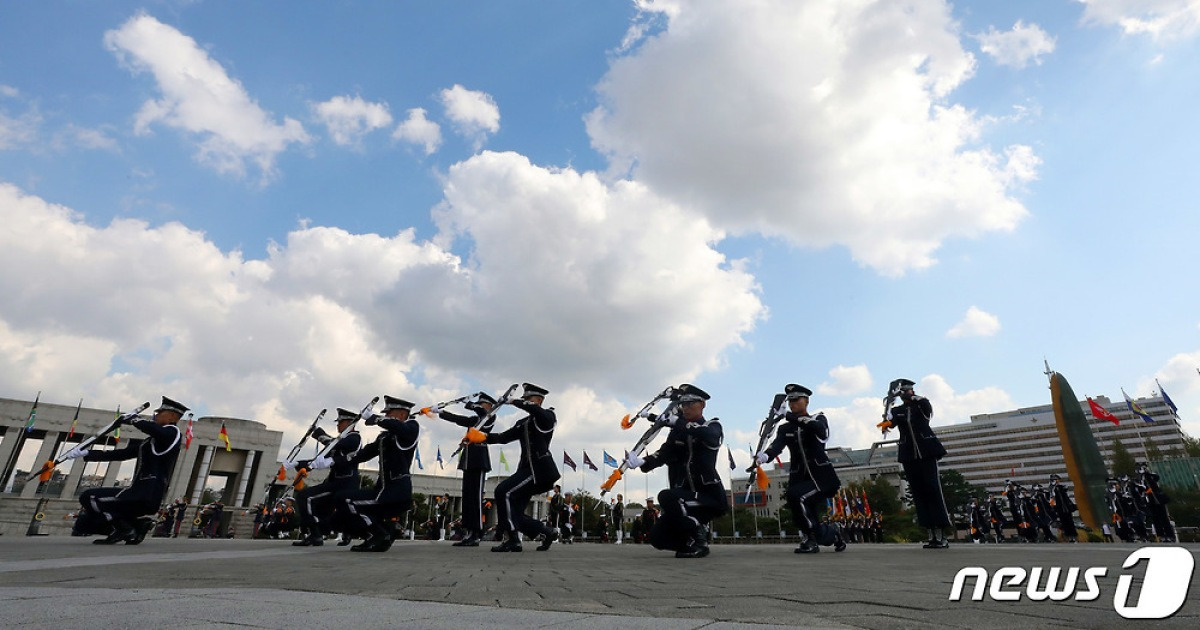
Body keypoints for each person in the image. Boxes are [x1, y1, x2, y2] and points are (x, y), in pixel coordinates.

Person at [65, 397, 187, 545]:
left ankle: (125, 529)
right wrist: (87, 454)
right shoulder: (150, 443)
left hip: (145, 493)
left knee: (89, 497)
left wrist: (135, 420)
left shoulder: (172, 433)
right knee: (91, 513)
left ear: (172, 416)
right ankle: (135, 526)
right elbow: (122, 454)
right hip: (138, 493)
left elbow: (158, 432)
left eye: (160, 412)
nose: (156, 415)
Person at [626, 384, 728, 558]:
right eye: (683, 404)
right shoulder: (677, 432)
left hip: (709, 497)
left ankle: (699, 537)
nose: (686, 408)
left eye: (690, 404)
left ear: (702, 405)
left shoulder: (713, 426)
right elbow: (665, 453)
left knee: (666, 496)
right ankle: (689, 541)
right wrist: (643, 461)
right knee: (657, 538)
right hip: (686, 496)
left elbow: (708, 436)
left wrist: (678, 423)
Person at [758, 384, 846, 554]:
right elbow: (777, 446)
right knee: (804, 511)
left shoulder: (818, 419)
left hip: (821, 478)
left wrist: (789, 416)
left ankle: (810, 538)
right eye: (790, 401)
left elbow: (820, 432)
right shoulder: (785, 428)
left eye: (796, 400)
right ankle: (832, 534)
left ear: (806, 401)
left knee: (797, 497)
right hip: (799, 477)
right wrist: (763, 457)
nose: (792, 404)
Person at [476, 383, 561, 552]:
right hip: (526, 471)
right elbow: (503, 437)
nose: (525, 402)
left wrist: (512, 401)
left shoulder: (547, 417)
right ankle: (547, 531)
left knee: (503, 491)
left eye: (528, 399)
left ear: (538, 400)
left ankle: (513, 539)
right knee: (514, 512)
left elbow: (536, 411)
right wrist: (480, 437)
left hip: (539, 471)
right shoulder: (524, 423)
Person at [338, 396, 420, 552]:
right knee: (341, 504)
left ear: (403, 414)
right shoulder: (385, 436)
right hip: (383, 490)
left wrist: (375, 418)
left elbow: (401, 428)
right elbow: (363, 454)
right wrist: (331, 461)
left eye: (390, 413)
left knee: (348, 501)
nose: (387, 416)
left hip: (396, 491)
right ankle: (387, 530)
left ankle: (378, 535)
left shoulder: (411, 428)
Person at [881, 379, 950, 549]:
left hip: (926, 451)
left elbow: (927, 412)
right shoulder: (899, 410)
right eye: (903, 391)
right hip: (909, 453)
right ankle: (930, 532)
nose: (905, 393)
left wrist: (910, 397)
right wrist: (887, 411)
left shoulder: (921, 403)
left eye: (907, 390)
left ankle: (941, 532)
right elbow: (890, 422)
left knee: (933, 490)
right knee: (919, 493)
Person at [290, 407, 362, 547]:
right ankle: (316, 533)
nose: (338, 425)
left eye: (341, 422)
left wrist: (319, 434)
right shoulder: (338, 442)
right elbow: (321, 458)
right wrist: (301, 464)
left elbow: (336, 444)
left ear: (349, 424)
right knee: (321, 509)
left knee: (306, 497)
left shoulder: (355, 438)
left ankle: (317, 535)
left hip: (345, 484)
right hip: (335, 482)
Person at [437, 392, 497, 547]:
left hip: (479, 461)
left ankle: (476, 532)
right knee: (468, 498)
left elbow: (482, 412)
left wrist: (469, 403)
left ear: (489, 406)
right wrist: (441, 412)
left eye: (482, 403)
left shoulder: (489, 419)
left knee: (476, 499)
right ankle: (469, 531)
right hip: (469, 461)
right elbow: (458, 419)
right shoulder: (474, 421)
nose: (479, 405)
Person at [1137, 462, 1176, 542]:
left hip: (1158, 500)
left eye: (1144, 467)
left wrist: (1147, 473)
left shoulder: (1151, 476)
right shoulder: (1139, 479)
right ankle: (1161, 535)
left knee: (1164, 518)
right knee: (1156, 519)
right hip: (1150, 501)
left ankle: (1169, 535)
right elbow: (1140, 489)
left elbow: (1156, 478)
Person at [1048, 474, 1078, 543]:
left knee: (1070, 523)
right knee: (1065, 524)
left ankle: (1073, 536)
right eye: (1057, 480)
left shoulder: (1061, 488)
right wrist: (1054, 508)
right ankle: (1070, 537)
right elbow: (1052, 499)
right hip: (1060, 509)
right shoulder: (1052, 489)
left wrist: (1071, 506)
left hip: (1066, 509)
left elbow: (1066, 498)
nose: (1058, 481)